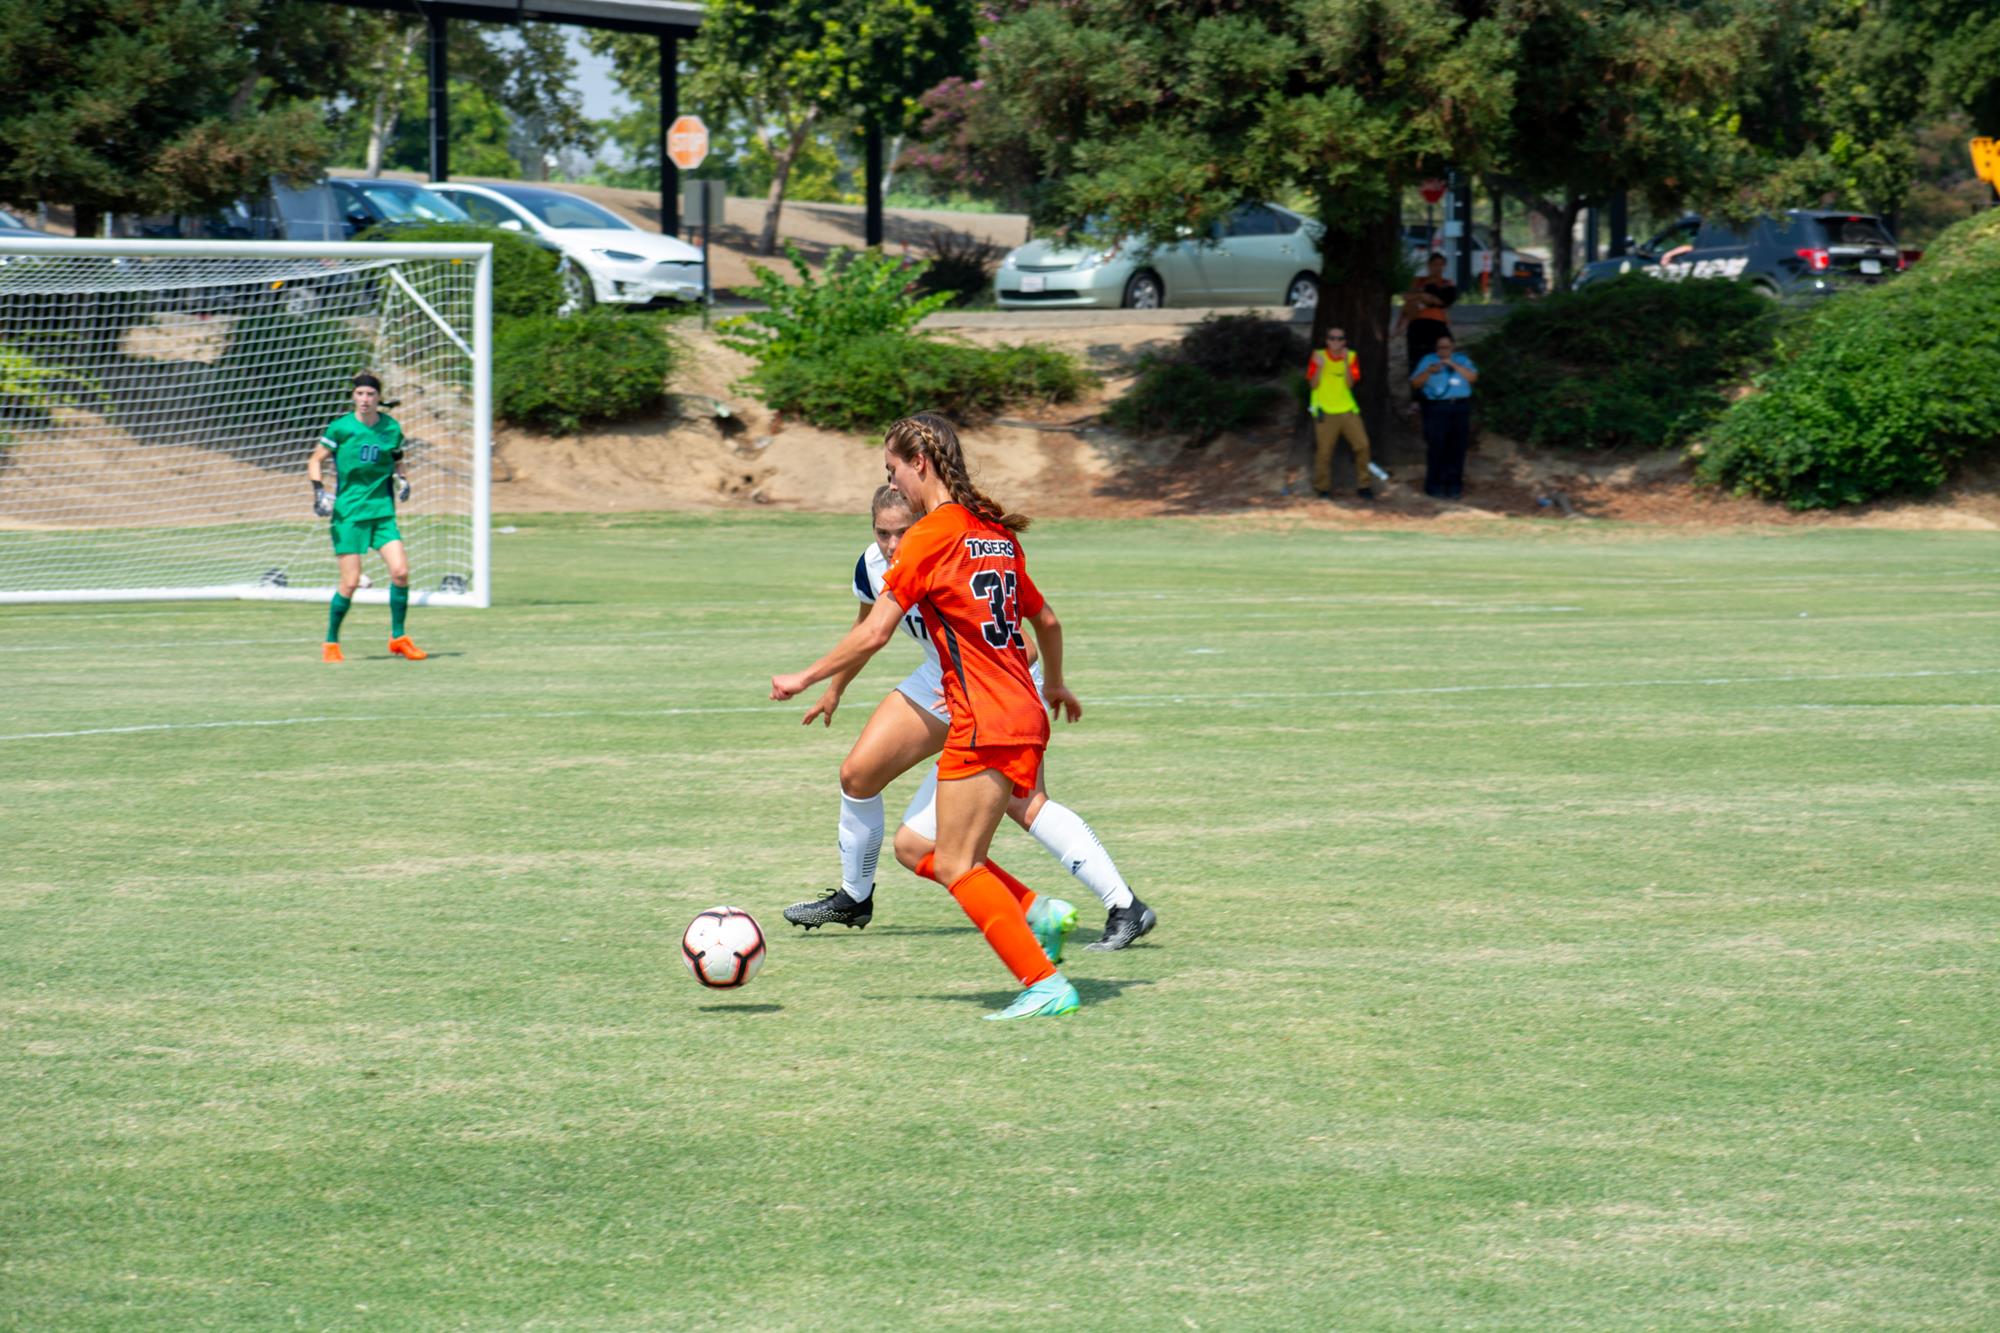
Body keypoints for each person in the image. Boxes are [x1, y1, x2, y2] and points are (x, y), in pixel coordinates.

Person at [770, 413, 1085, 1020]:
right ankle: (1037, 919)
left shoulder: (929, 535)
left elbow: (876, 632)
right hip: (1021, 704)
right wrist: (1059, 682)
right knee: (919, 847)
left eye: (893, 468)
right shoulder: (992, 531)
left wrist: (807, 677)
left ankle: (1044, 983)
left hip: (983, 713)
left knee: (956, 863)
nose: (893, 482)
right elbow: (1044, 620)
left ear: (920, 463)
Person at [783, 486, 1156, 952]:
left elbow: (1026, 638)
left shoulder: (947, 549)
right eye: (883, 533)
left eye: (904, 532)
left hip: (998, 679)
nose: (893, 544)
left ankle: (1124, 905)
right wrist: (835, 690)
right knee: (857, 776)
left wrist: (989, 687)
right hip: (941, 677)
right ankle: (855, 898)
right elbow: (867, 630)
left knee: (1024, 804)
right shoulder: (871, 566)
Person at [307, 373, 425, 663]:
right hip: (349, 515)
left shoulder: (391, 428)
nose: (364, 399)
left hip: (382, 513)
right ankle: (331, 642)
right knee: (349, 583)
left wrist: (403, 480)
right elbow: (314, 460)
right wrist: (319, 492)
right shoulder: (341, 428)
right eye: (359, 394)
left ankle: (398, 638)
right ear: (353, 397)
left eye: (370, 394)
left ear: (378, 398)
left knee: (400, 573)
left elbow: (397, 459)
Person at [1304, 326, 1378, 501]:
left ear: (1344, 341)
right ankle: (1322, 488)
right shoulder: (1318, 355)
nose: (1335, 341)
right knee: (1324, 452)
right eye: (1332, 338)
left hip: (1347, 410)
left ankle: (1364, 485)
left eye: (1339, 338)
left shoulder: (1351, 356)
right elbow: (1313, 385)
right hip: (1325, 411)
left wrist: (1344, 362)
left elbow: (1350, 384)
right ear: (1327, 340)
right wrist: (1320, 367)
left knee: (1363, 445)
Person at [1409, 333, 1479, 500]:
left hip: (1460, 407)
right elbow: (1415, 383)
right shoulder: (1428, 360)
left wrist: (1453, 365)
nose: (1443, 351)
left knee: (1457, 447)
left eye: (1446, 347)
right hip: (1437, 408)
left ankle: (1454, 485)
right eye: (1440, 347)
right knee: (1436, 446)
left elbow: (1473, 377)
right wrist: (1429, 372)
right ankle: (1434, 485)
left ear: (1453, 347)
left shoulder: (1462, 360)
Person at [1392, 252, 1457, 372]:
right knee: (1416, 358)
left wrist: (1423, 297)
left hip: (1437, 323)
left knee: (1438, 355)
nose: (1437, 268)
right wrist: (1423, 296)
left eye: (1440, 265)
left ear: (1444, 266)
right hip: (1417, 323)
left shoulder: (1446, 284)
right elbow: (1407, 298)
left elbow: (1442, 301)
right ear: (1429, 265)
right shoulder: (1418, 281)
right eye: (1434, 264)